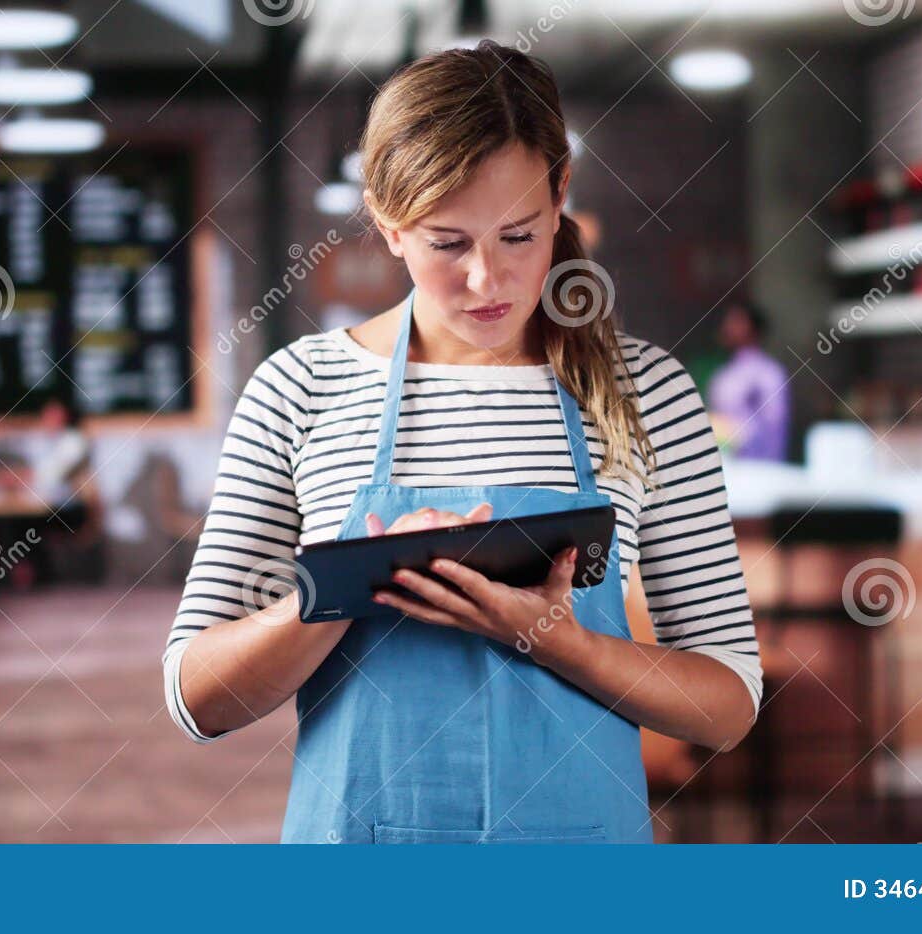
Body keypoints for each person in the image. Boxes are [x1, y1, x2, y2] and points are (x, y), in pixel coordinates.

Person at [164, 41, 759, 844]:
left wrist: (560, 643)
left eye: (519, 235)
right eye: (448, 243)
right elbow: (196, 697)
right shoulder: (299, 389)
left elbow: (726, 705)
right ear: (386, 220)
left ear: (560, 196)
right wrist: (345, 586)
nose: (488, 281)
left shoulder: (647, 393)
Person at [707, 301, 790, 461]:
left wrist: (735, 433)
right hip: (727, 466)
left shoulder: (768, 372)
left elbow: (774, 424)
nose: (728, 328)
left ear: (753, 328)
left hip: (759, 467)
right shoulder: (722, 375)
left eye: (736, 321)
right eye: (728, 322)